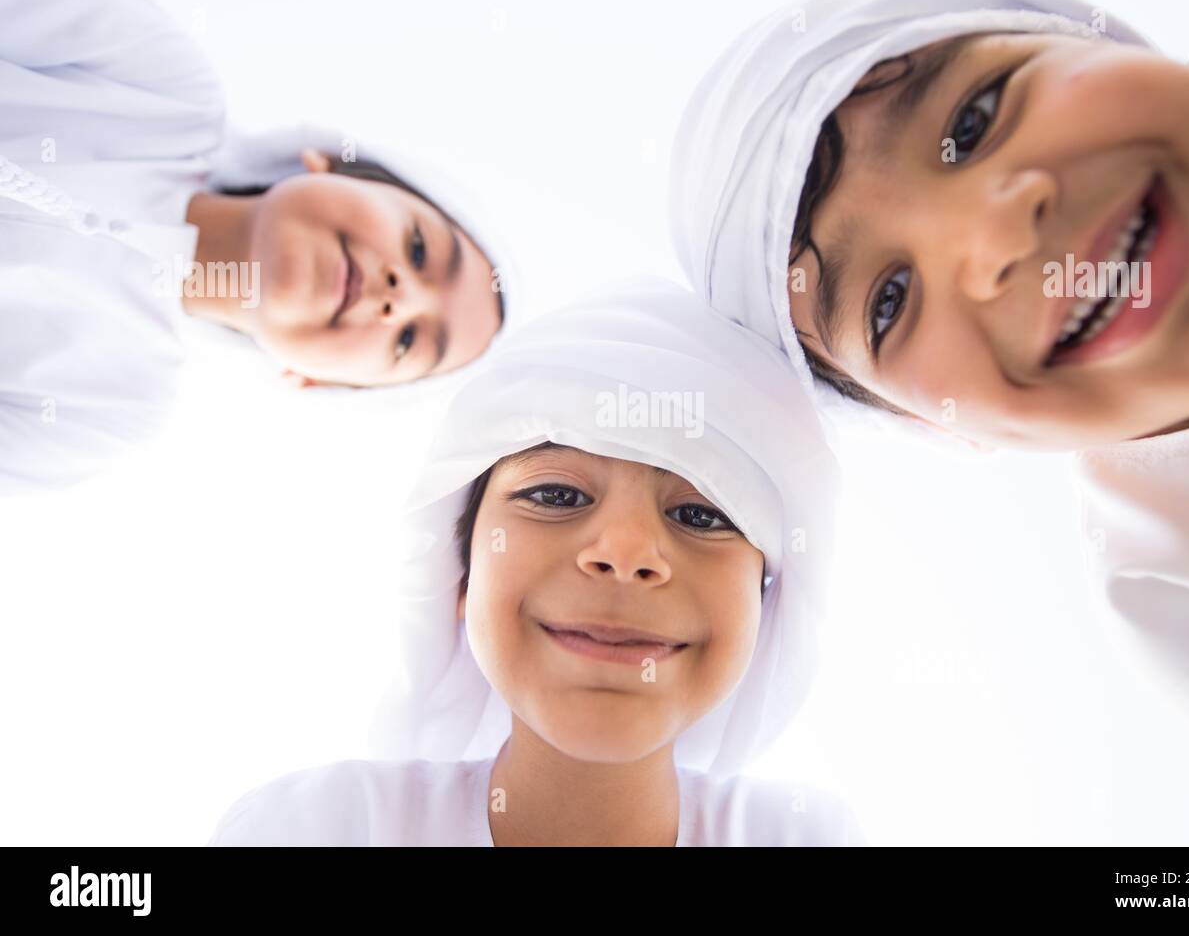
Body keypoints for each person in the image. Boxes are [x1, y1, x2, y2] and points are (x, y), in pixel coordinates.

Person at [671, 0, 1189, 788]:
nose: (995, 236)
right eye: (889, 304)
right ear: (947, 431)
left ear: (1084, 35)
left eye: (972, 122)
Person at [208, 284, 865, 846]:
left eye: (701, 515)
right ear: (460, 573)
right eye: (555, 495)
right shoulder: (312, 830)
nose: (626, 553)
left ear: (765, 597)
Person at [0, 0, 509, 493]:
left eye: (407, 341)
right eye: (419, 249)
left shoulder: (103, 413)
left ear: (316, 381)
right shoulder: (159, 80)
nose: (400, 296)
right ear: (333, 166)